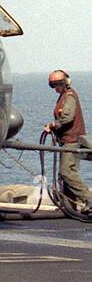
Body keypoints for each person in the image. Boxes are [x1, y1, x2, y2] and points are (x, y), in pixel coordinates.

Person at [44, 69, 90, 211]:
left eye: (57, 84)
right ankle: (70, 206)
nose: (55, 88)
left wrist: (53, 125)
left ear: (65, 83)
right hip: (67, 140)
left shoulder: (69, 96)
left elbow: (67, 117)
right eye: (53, 85)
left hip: (72, 140)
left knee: (67, 172)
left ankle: (89, 199)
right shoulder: (64, 96)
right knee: (64, 174)